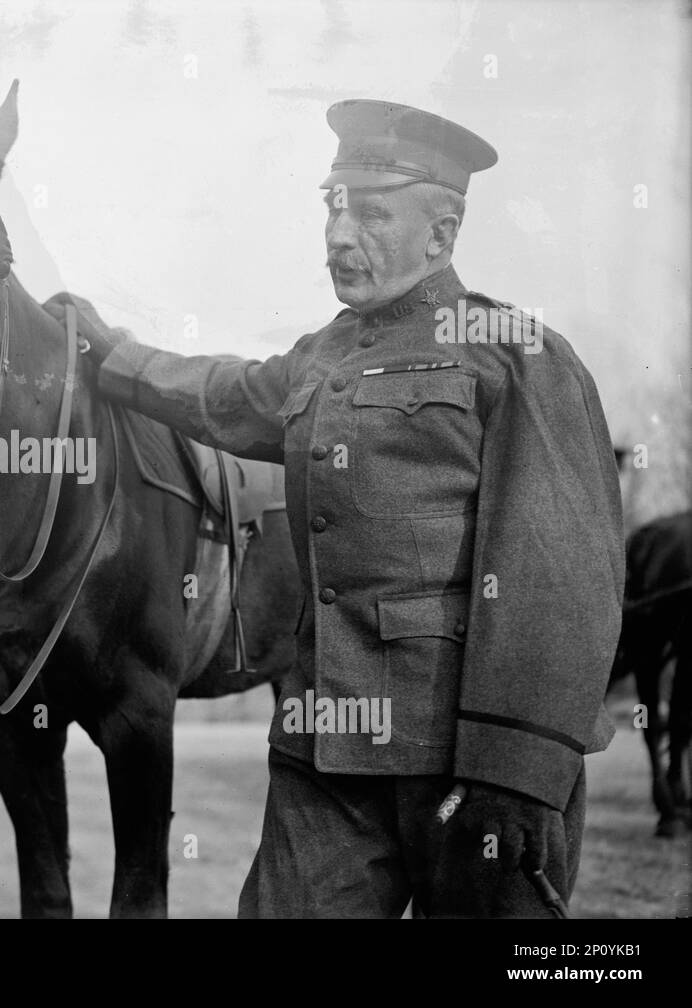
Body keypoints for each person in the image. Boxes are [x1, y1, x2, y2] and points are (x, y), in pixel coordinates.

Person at [44, 99, 624, 918]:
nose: (340, 234)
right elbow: (226, 394)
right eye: (333, 206)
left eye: (373, 212)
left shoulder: (515, 356)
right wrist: (117, 356)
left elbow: (560, 573)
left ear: (443, 232)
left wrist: (517, 773)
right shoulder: (324, 355)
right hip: (326, 758)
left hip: (463, 769)